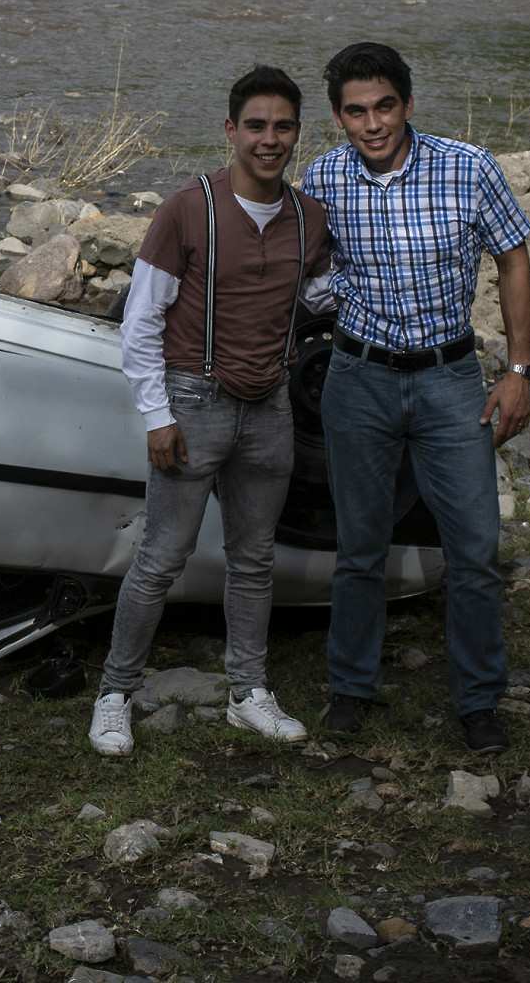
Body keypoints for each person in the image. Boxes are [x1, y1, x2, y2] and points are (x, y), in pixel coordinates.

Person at [88, 65, 333, 758]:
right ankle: (114, 694)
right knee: (161, 557)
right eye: (256, 125)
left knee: (254, 559)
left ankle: (248, 693)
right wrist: (157, 416)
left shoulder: (308, 219)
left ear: (295, 134)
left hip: (271, 407)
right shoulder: (186, 209)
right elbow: (141, 320)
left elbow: (317, 297)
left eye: (283, 126)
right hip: (194, 403)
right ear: (231, 131)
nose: (269, 139)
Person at [299, 42, 530, 755]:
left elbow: (514, 257)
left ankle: (478, 701)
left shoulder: (468, 167)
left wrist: (519, 369)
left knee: (473, 546)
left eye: (384, 107)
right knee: (360, 546)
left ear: (408, 104)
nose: (372, 125)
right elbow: (303, 273)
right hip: (358, 377)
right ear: (338, 115)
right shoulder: (323, 179)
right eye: (355, 112)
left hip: (450, 378)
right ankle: (350, 689)